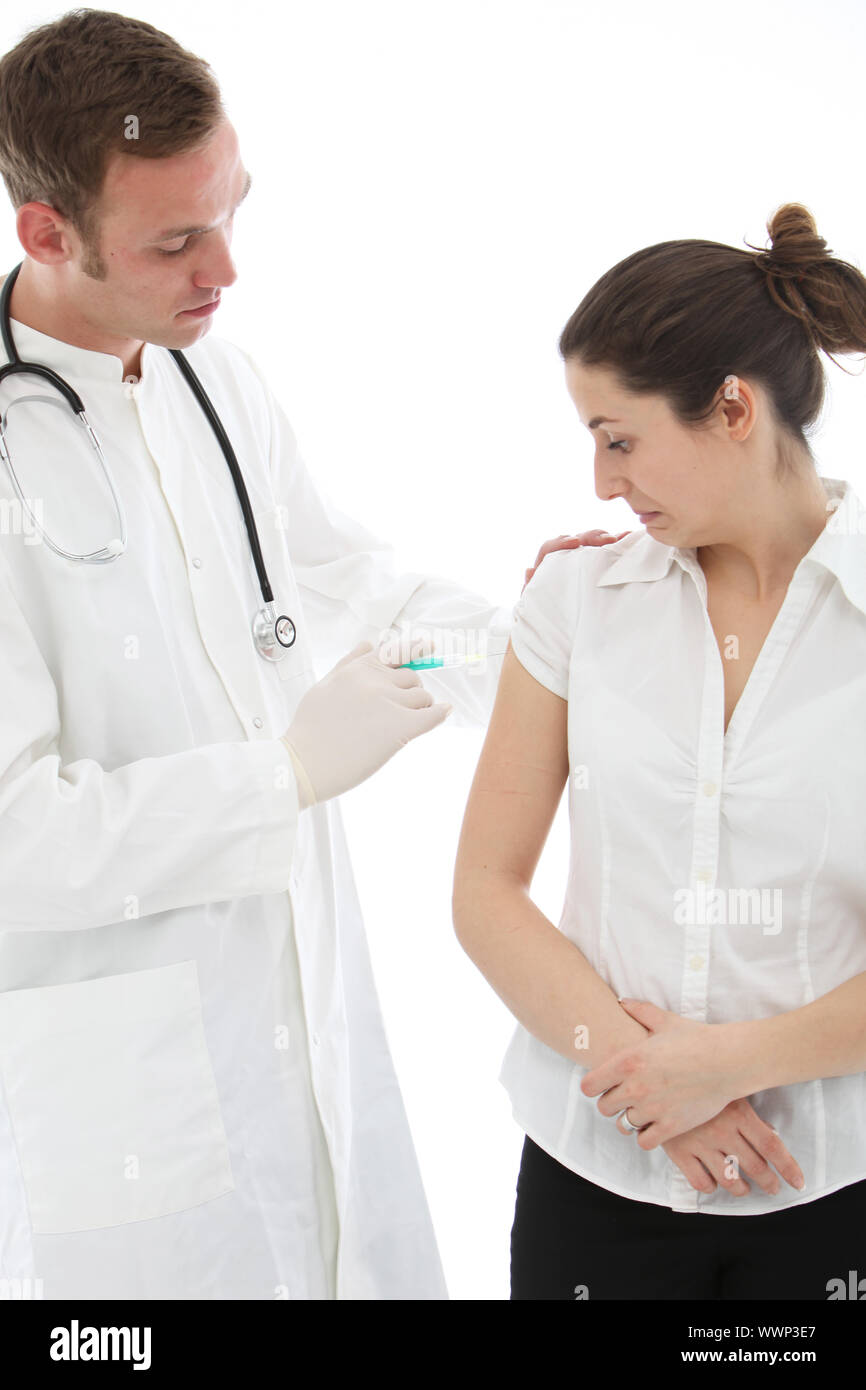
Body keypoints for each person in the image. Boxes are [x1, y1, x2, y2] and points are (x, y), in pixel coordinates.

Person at [0, 10, 621, 1301]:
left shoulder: (213, 382)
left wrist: (563, 652)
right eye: (175, 240)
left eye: (231, 210)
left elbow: (352, 586)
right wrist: (280, 774)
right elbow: (18, 835)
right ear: (46, 231)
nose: (224, 265)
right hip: (124, 1104)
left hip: (303, 1018)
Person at [452, 201, 866, 1300]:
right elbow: (484, 890)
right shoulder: (577, 601)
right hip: (594, 1185)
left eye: (618, 437)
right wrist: (648, 1085)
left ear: (730, 406)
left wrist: (724, 1068)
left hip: (829, 1195)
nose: (599, 481)